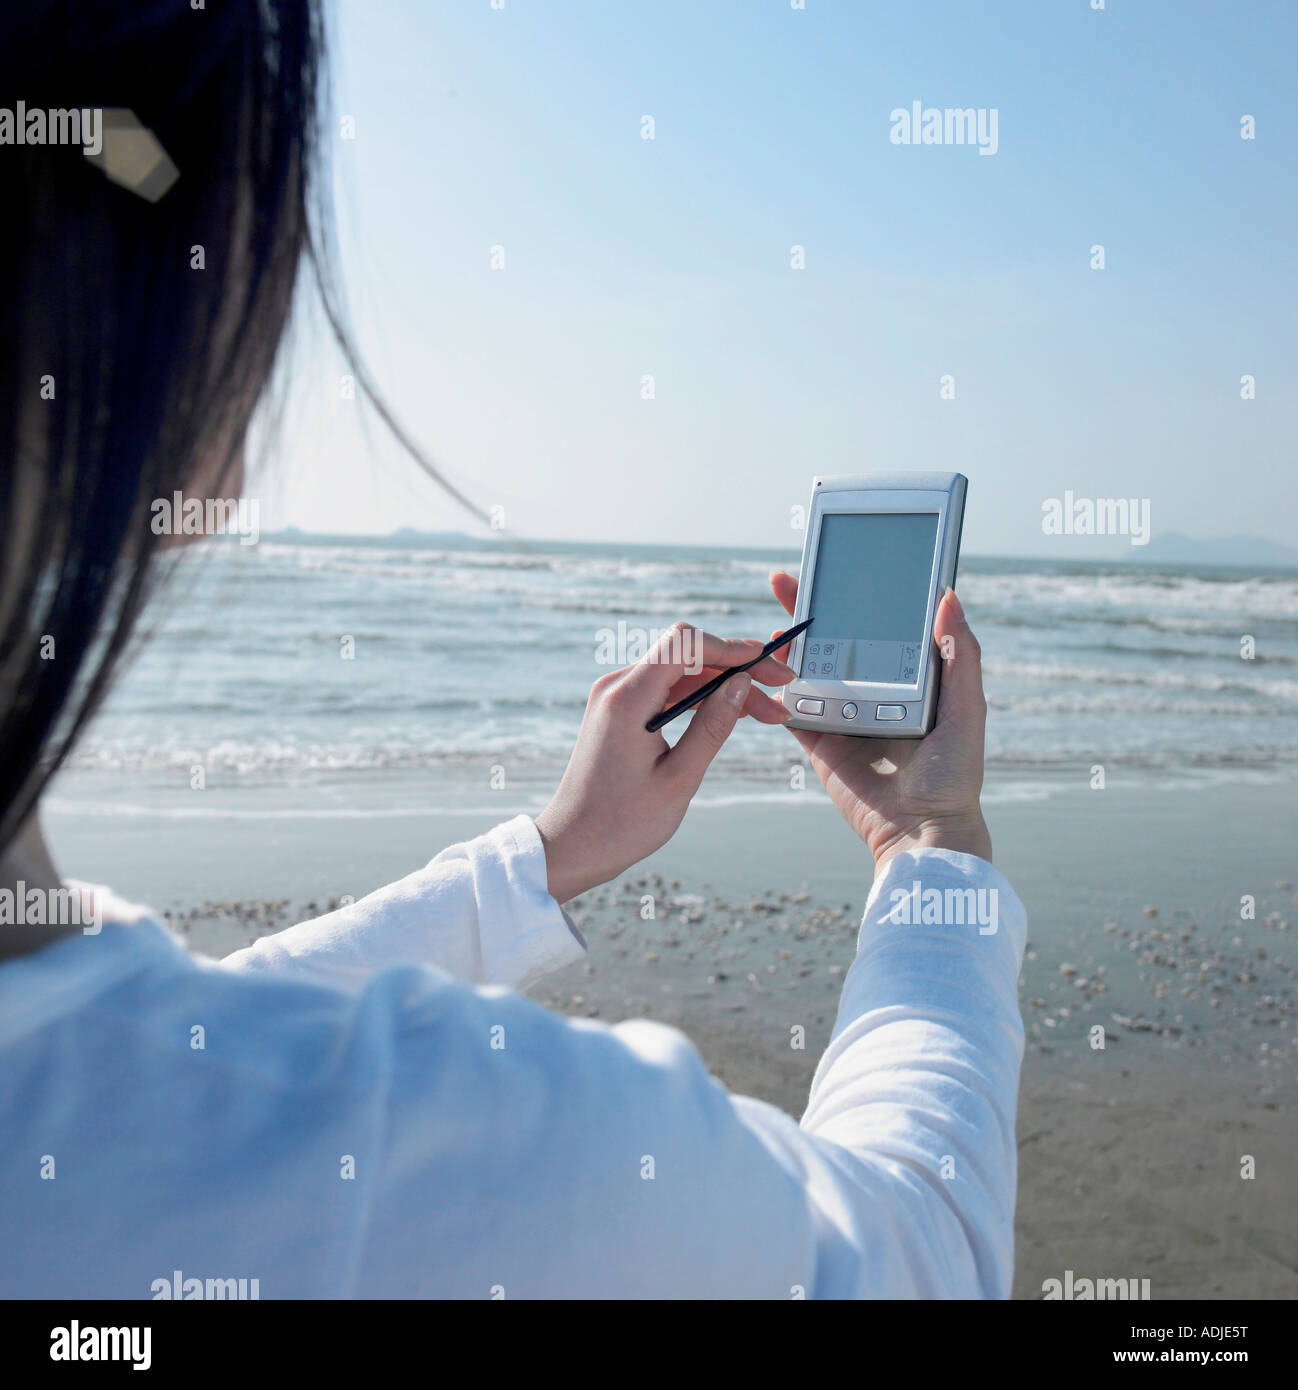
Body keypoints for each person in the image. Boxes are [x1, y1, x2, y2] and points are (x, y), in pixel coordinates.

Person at [0, 0, 1025, 1298]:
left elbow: (191, 1023)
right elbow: (917, 1252)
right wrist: (928, 849)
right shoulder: (453, 1152)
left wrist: (547, 855)